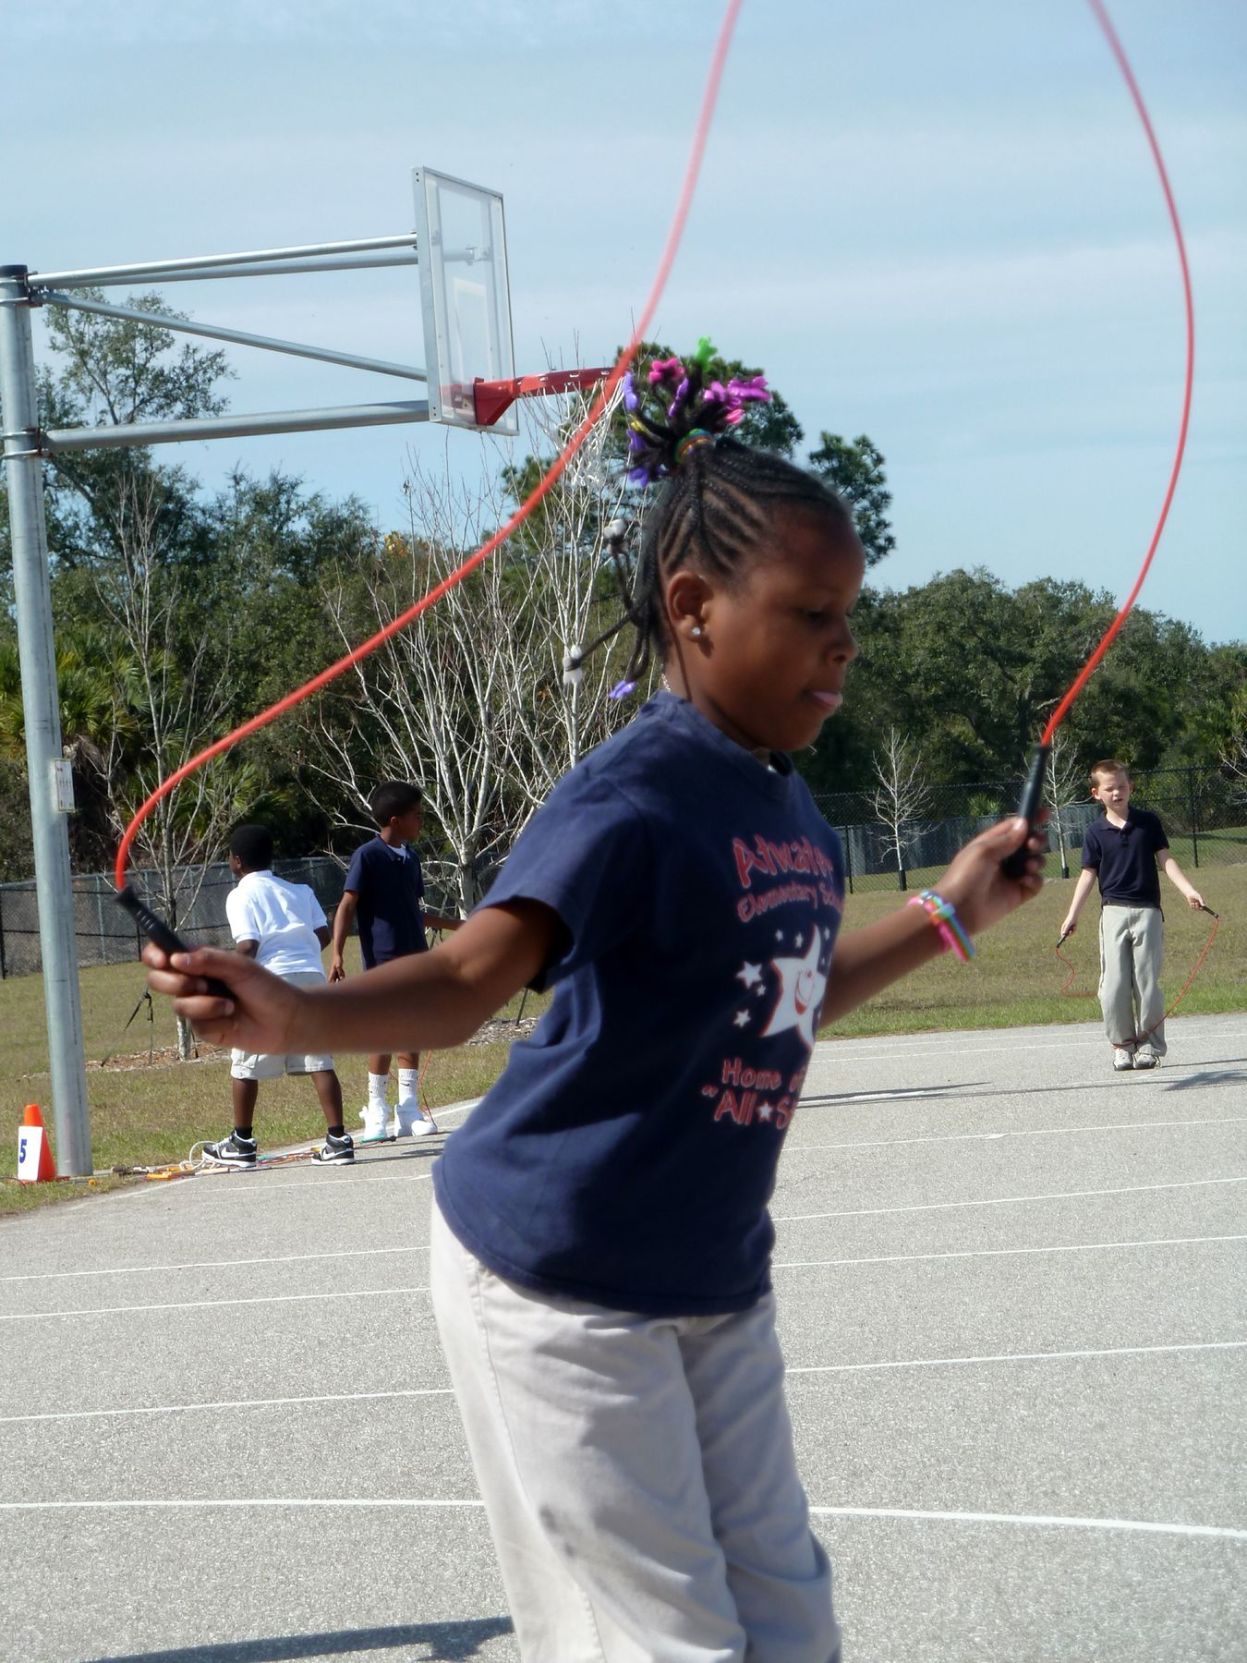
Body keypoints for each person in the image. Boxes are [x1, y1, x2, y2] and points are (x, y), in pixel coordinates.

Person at [145, 344, 1044, 1662]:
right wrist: (287, 1015)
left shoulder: (783, 797)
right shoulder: (631, 794)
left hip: (708, 1270)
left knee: (788, 1621)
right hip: (555, 1273)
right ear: (693, 607)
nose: (841, 643)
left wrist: (951, 908)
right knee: (656, 1638)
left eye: (849, 612)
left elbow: (780, 999)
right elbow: (461, 982)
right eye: (808, 612)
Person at [202, 823, 353, 1168]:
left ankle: (241, 1143)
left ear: (236, 861)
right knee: (320, 1061)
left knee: (245, 1064)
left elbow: (249, 945)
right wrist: (299, 955)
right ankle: (338, 1139)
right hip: (310, 977)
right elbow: (322, 933)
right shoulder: (299, 890)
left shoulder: (240, 894)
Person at [330, 781, 460, 1140]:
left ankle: (407, 1108)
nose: (422, 822)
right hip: (383, 961)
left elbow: (415, 912)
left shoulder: (412, 859)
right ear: (395, 820)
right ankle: (376, 1109)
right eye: (417, 816)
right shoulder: (368, 856)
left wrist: (458, 925)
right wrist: (338, 953)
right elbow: (347, 905)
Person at [1059, 758, 1205, 1071]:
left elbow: (1166, 860)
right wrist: (1073, 915)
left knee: (1147, 983)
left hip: (1148, 911)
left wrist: (1189, 891)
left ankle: (1150, 1047)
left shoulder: (1148, 823)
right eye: (1109, 788)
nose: (1116, 793)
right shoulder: (1095, 832)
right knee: (1113, 985)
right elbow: (1088, 875)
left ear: (1131, 788)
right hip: (1112, 912)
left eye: (1122, 786)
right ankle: (1122, 1046)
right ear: (1096, 793)